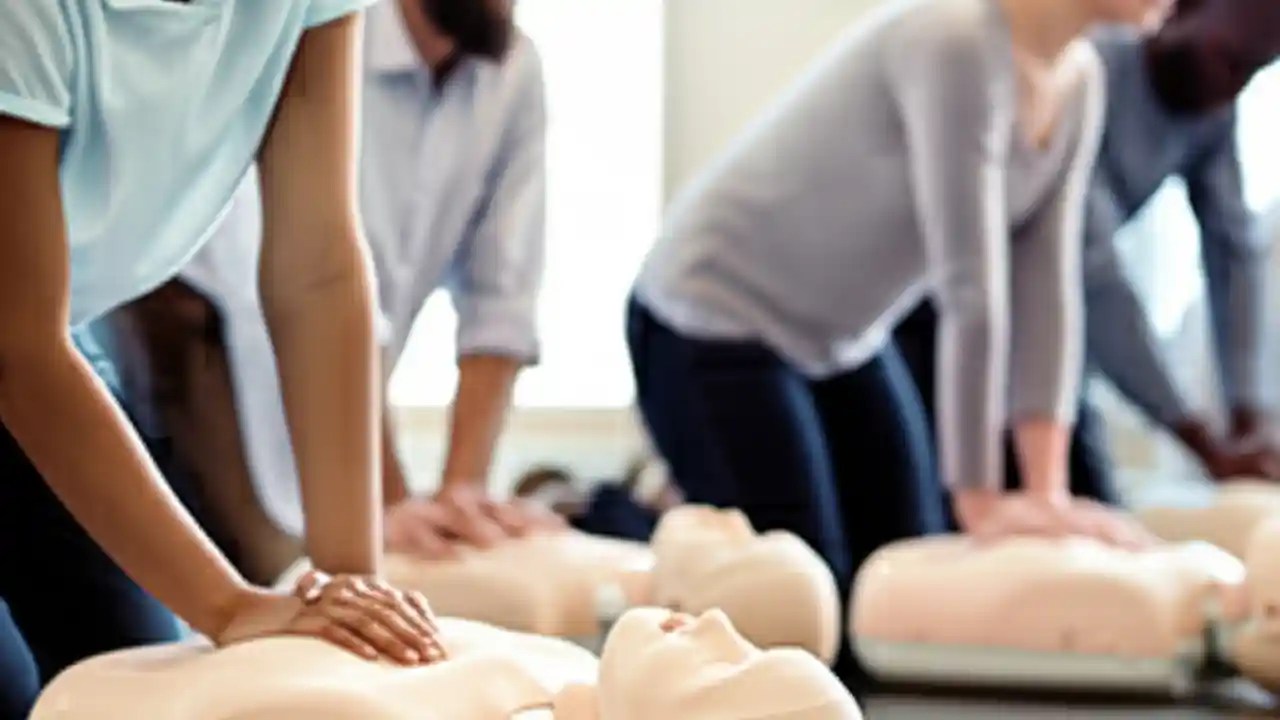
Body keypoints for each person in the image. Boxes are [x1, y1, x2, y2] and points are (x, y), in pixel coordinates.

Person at [626, 0, 1169, 686]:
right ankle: (632, 519)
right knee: (811, 611)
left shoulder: (1080, 77)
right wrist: (981, 503)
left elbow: (1047, 286)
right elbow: (970, 286)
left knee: (899, 594)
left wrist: (1047, 494)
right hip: (712, 316)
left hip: (843, 340)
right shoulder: (954, 39)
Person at [0, 2, 444, 717]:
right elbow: (19, 348)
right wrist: (230, 606)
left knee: (142, 689)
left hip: (47, 338)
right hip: (22, 346)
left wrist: (350, 593)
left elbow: (318, 270)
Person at [103, 0, 554, 577]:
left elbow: (501, 300)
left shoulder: (513, 73)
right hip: (211, 316)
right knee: (272, 570)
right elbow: (318, 281)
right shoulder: (323, 28)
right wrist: (386, 505)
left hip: (332, 338)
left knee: (377, 553)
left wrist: (458, 498)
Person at [896, 0, 1280, 496]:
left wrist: (1249, 414)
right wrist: (1197, 436)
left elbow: (1235, 255)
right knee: (933, 494)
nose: (1231, 87)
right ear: (1182, 11)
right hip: (936, 312)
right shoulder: (1090, 71)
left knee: (1092, 506)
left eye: (1252, 71)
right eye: (1227, 59)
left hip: (1043, 336)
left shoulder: (1212, 111)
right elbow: (1092, 272)